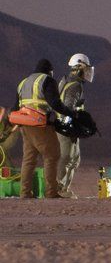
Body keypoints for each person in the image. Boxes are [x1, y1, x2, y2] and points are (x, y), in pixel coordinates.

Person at [13, 59, 78, 198]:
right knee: (52, 156)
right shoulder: (47, 80)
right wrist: (70, 113)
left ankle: (25, 192)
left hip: (25, 126)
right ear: (50, 70)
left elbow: (15, 107)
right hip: (40, 124)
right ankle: (51, 192)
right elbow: (55, 103)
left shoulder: (23, 83)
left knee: (29, 160)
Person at [56, 53, 94, 198]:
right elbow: (68, 106)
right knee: (67, 157)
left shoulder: (65, 81)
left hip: (64, 126)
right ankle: (59, 188)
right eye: (85, 68)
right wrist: (73, 123)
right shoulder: (75, 85)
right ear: (79, 68)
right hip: (67, 128)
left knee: (74, 158)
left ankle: (62, 188)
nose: (87, 72)